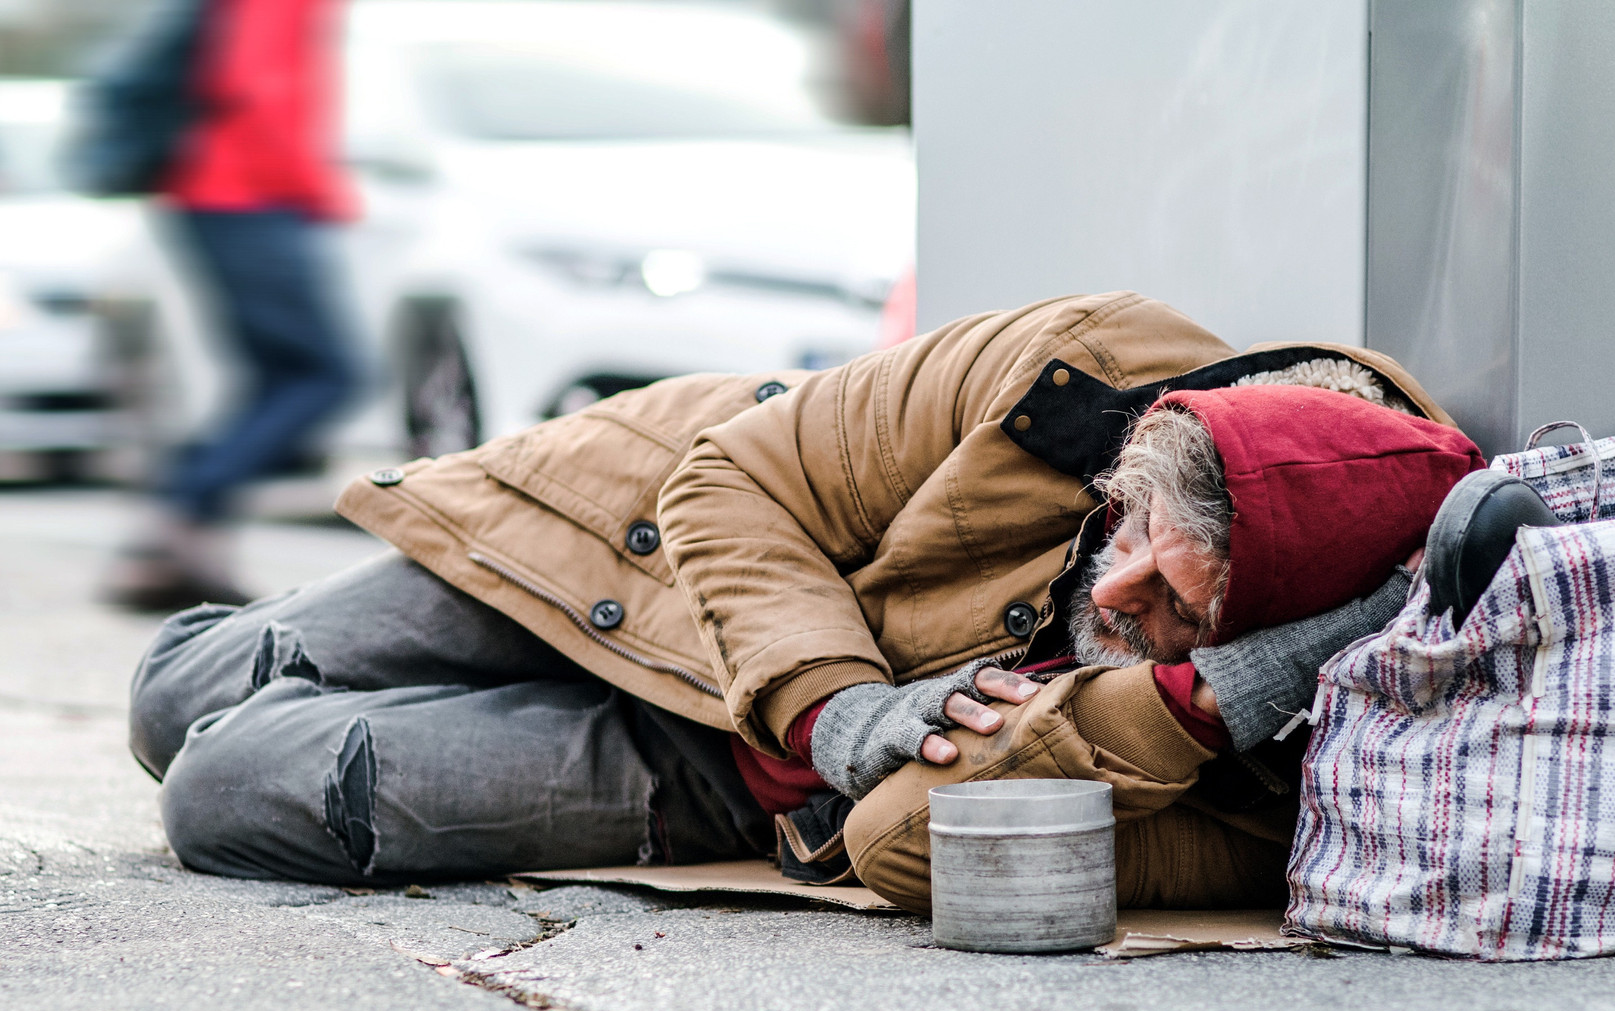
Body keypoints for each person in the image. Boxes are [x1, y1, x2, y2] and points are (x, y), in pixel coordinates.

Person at [128, 292, 1482, 908]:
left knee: (225, 789)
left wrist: (1197, 701)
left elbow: (904, 844)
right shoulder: (1085, 364)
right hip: (642, 540)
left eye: (1185, 609)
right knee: (173, 696)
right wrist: (842, 712)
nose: (1118, 593)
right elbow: (736, 481)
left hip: (712, 769)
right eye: (1125, 528)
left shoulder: (1274, 771)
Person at [102, 0, 359, 610]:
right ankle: (177, 521)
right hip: (246, 195)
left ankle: (186, 547)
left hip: (225, 192)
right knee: (326, 374)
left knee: (277, 376)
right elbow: (255, 87)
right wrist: (316, 188)